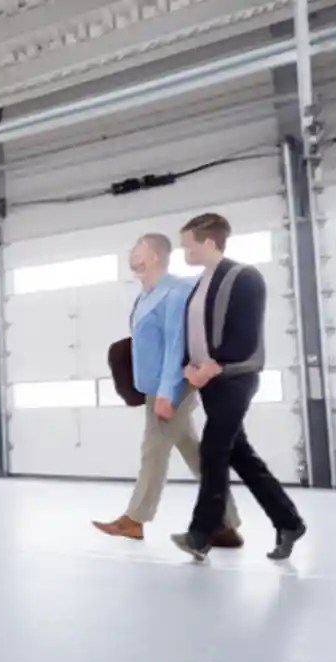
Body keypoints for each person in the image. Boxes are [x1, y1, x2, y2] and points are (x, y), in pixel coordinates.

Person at [169, 213, 307, 561]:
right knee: (239, 454)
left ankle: (201, 534)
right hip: (207, 380)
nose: (185, 252)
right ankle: (289, 522)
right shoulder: (200, 283)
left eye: (188, 246)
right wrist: (188, 365)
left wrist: (213, 364)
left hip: (234, 378)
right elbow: (194, 333)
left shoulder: (244, 277)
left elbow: (245, 335)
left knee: (214, 449)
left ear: (209, 242)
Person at [93, 233, 242, 546]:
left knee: (153, 449)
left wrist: (166, 392)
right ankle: (225, 521)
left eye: (137, 248)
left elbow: (177, 345)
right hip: (154, 386)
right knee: (192, 451)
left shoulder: (176, 292)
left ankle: (134, 519)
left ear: (155, 256)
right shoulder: (144, 296)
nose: (131, 253)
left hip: (173, 384)